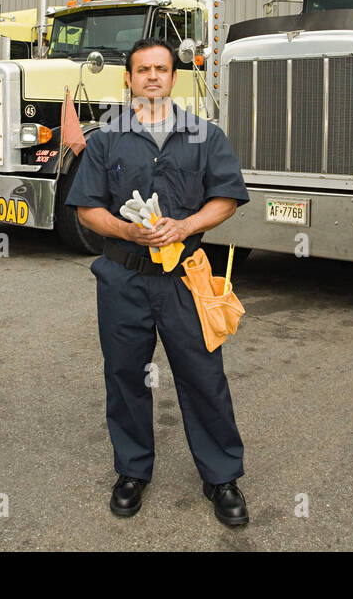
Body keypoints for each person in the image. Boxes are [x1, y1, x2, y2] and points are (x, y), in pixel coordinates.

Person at [65, 37, 252, 527]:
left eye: (161, 69)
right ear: (128, 78)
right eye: (142, 69)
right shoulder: (106, 138)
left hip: (186, 280)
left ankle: (222, 477)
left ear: (174, 77)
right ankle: (132, 472)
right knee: (125, 375)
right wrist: (126, 229)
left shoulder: (204, 135)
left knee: (203, 376)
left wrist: (186, 226)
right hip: (123, 278)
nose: (152, 76)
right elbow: (87, 210)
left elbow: (227, 198)